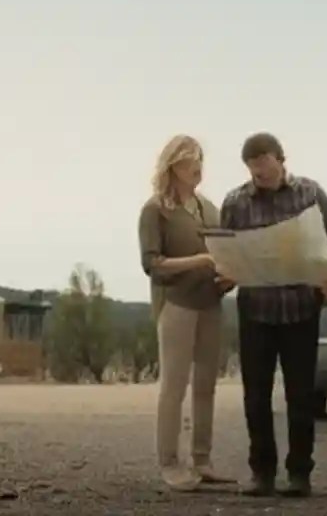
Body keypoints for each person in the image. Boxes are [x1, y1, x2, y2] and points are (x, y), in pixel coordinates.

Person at [219, 132, 327, 498]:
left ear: (281, 159)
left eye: (266, 167)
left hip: (300, 306)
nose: (261, 175)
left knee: (301, 394)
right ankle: (262, 471)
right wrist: (226, 269)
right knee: (255, 395)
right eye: (254, 170)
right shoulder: (236, 202)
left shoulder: (309, 193)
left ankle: (300, 472)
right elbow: (224, 247)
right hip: (256, 307)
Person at [137, 135, 236, 492]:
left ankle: (202, 460)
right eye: (190, 161)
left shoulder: (209, 208)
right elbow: (153, 264)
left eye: (200, 161)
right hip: (176, 304)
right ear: (172, 165)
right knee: (174, 387)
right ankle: (170, 463)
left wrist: (229, 277)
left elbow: (226, 254)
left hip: (211, 304)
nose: (197, 168)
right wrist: (200, 260)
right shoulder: (155, 210)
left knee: (206, 386)